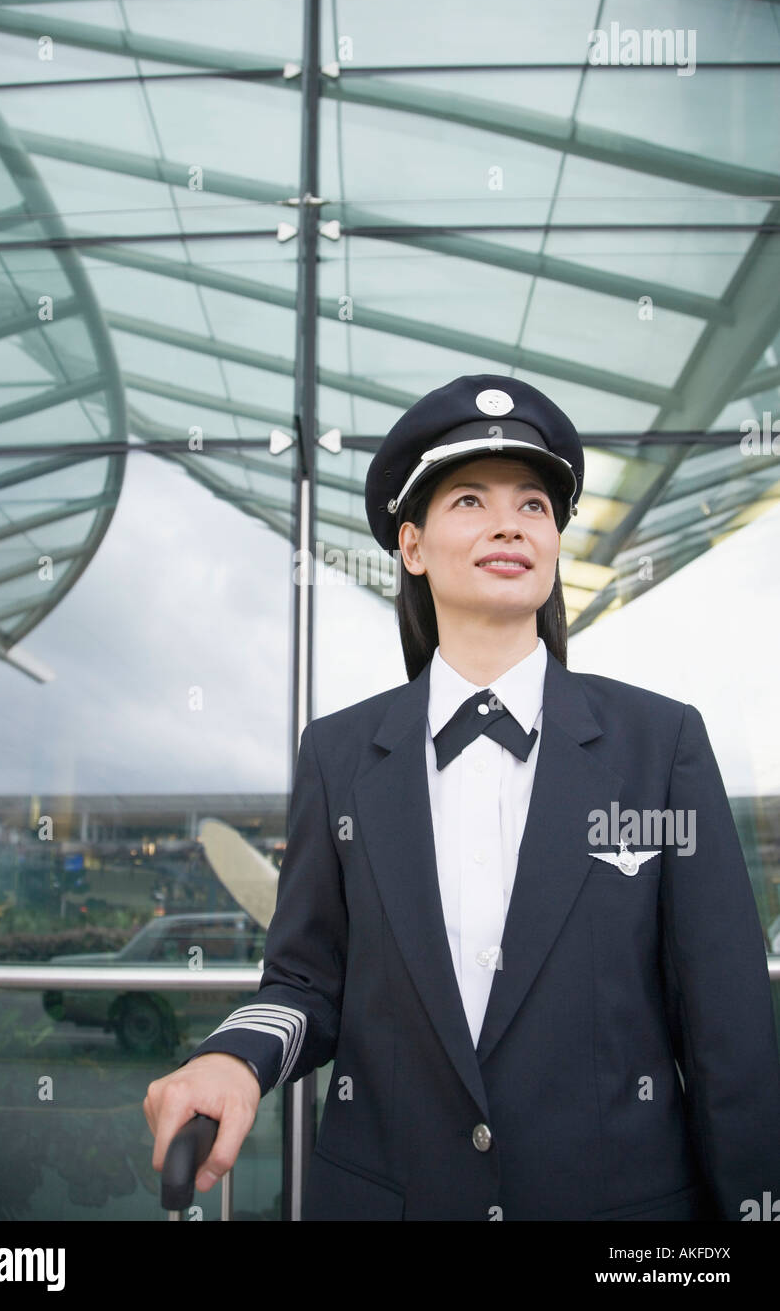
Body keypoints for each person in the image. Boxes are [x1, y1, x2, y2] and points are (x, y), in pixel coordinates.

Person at [144, 372, 780, 1221]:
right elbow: (305, 979)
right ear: (411, 547)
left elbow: (726, 1017)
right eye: (470, 501)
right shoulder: (337, 754)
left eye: (533, 506)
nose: (509, 523)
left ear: (554, 543)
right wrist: (234, 1058)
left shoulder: (660, 745)